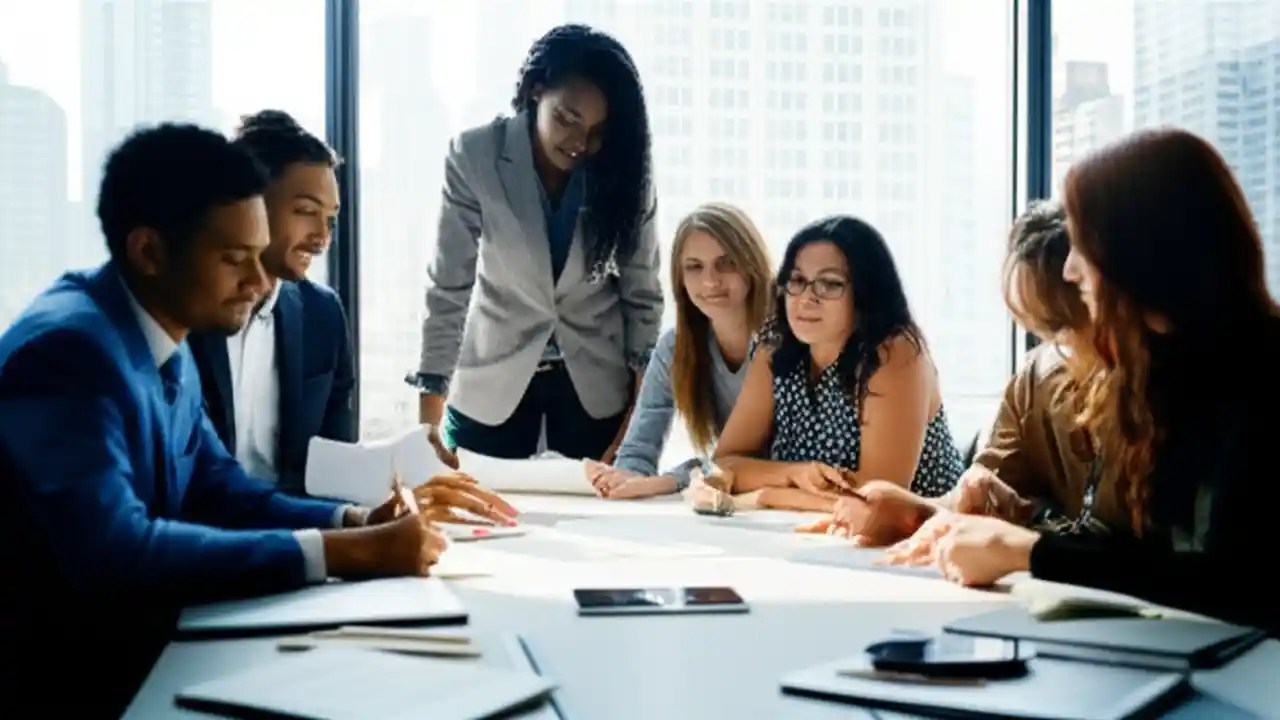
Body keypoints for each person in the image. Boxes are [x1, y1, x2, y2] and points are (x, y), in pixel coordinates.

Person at [0, 124, 517, 715]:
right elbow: (115, 553)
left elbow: (219, 490)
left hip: (154, 650)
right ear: (150, 251)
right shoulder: (70, 353)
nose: (257, 281)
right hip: (74, 682)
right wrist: (343, 552)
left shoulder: (156, 327)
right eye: (233, 259)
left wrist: (356, 520)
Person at [879, 129, 1280, 634]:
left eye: (1082, 245)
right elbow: (1152, 554)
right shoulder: (1172, 374)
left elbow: (1238, 586)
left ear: (1141, 252)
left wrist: (1027, 550)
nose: (1069, 270)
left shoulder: (1259, 378)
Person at [407, 24, 662, 467]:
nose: (581, 142)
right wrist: (429, 427)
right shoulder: (475, 155)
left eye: (599, 130)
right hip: (491, 387)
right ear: (534, 91)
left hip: (597, 392)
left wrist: (634, 431)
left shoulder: (623, 170)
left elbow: (643, 299)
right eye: (567, 118)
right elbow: (449, 289)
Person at [802, 200, 1116, 542]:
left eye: (1062, 324)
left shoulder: (1142, 393)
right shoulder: (1033, 376)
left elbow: (1118, 549)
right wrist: (911, 510)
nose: (1059, 349)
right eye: (1038, 329)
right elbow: (980, 494)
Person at [712, 216, 964, 513]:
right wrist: (792, 474)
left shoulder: (896, 353)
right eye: (797, 281)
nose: (806, 299)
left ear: (865, 294)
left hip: (919, 538)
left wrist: (767, 494)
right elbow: (722, 466)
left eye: (829, 284)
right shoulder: (775, 349)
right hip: (811, 530)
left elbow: (877, 499)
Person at [188, 110, 354, 494]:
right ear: (252, 203)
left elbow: (339, 464)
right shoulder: (184, 307)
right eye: (306, 212)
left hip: (294, 531)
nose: (321, 238)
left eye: (330, 219)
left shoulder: (323, 315)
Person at [583, 202, 772, 499]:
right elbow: (637, 451)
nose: (710, 281)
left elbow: (769, 462)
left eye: (726, 263)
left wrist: (669, 481)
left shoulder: (785, 343)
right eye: (694, 267)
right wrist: (622, 481)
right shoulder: (676, 347)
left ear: (752, 265)